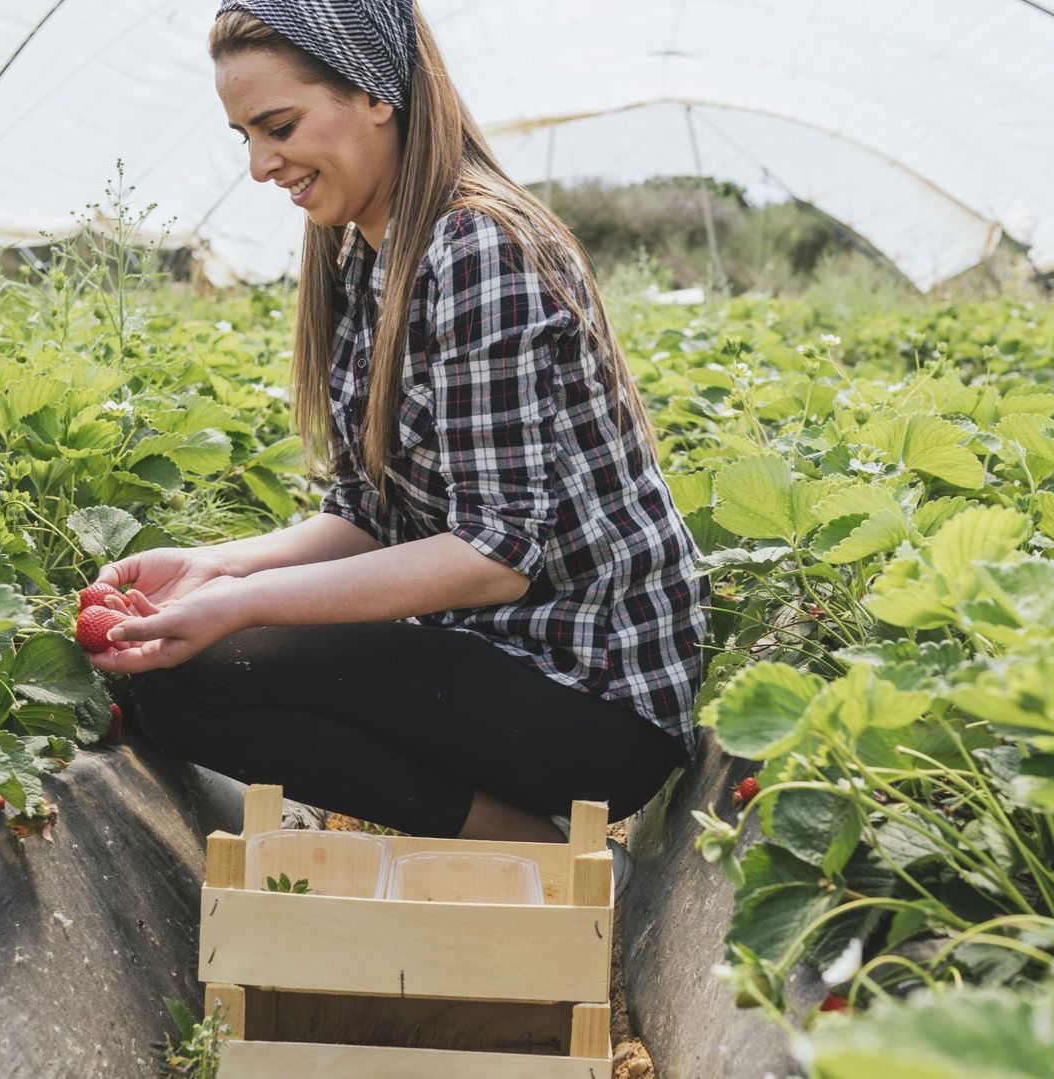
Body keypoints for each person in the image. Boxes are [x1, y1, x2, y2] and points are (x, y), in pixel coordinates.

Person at [89, 0, 711, 864]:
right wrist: (214, 566)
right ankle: (518, 843)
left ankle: (535, 852)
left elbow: (494, 557)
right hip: (494, 657)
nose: (263, 165)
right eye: (244, 136)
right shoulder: (367, 254)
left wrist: (241, 606)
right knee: (179, 681)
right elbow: (368, 513)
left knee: (196, 678)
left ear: (377, 94)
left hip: (597, 697)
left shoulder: (475, 245)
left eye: (279, 125)